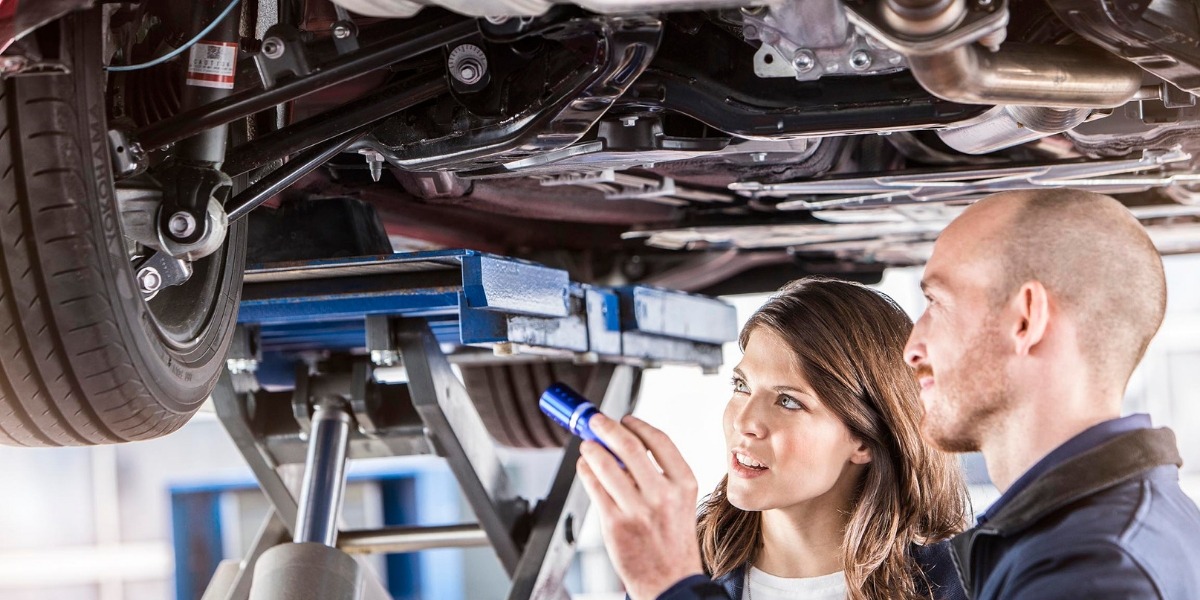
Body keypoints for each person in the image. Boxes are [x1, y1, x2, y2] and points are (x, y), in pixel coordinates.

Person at [578, 187, 1200, 600]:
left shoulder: (1093, 570)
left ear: (1026, 318)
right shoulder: (1067, 538)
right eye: (742, 384)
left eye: (936, 303)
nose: (913, 345)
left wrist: (667, 584)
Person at [577, 277, 970, 600]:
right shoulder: (682, 566)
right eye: (741, 385)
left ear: (864, 440)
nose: (745, 421)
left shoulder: (963, 584)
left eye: (788, 401)